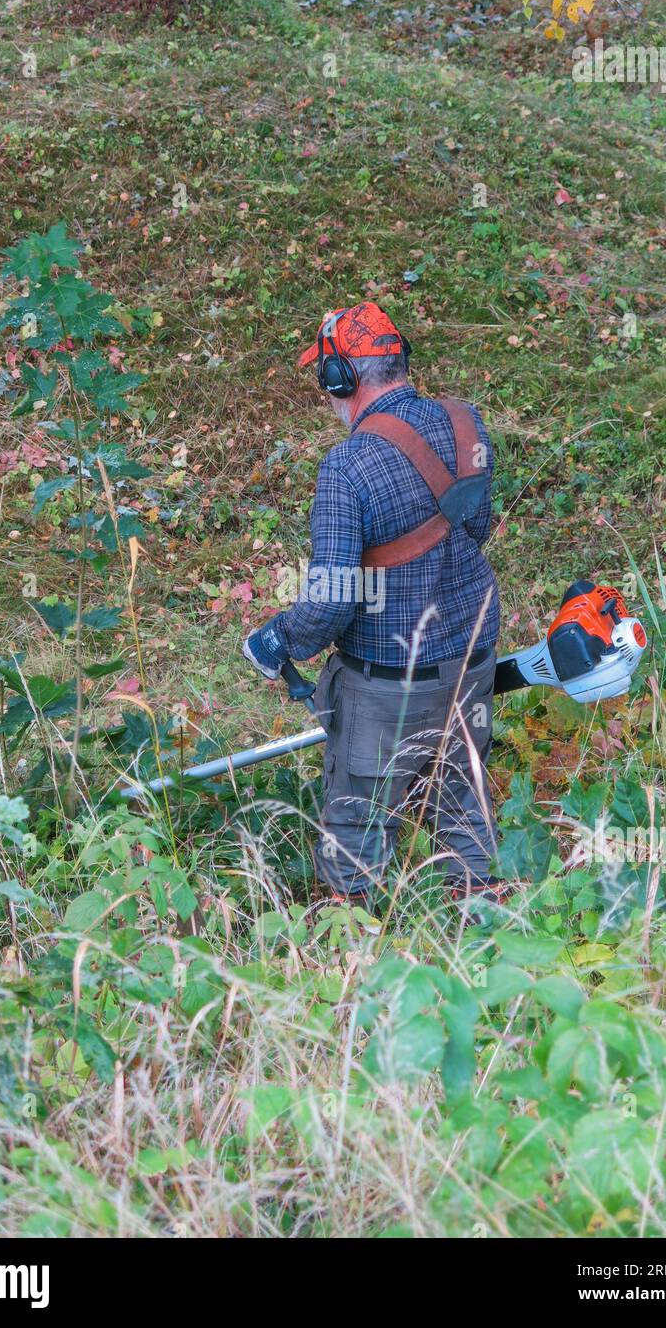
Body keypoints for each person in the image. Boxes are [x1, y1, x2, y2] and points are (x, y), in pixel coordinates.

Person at [243, 302, 503, 913]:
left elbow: (331, 603)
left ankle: (350, 948)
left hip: (387, 683)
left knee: (357, 825)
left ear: (343, 378)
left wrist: (279, 638)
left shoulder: (348, 465)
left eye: (326, 379)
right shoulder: (467, 425)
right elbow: (477, 527)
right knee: (462, 799)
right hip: (472, 660)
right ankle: (484, 932)